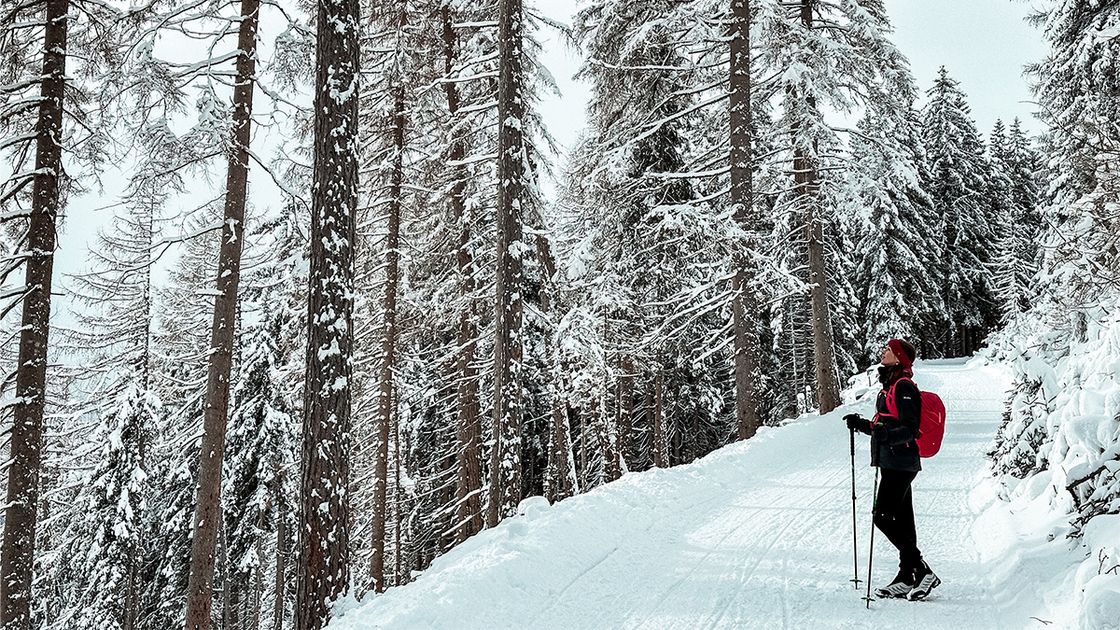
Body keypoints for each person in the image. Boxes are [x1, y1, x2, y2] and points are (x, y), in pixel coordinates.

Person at [843, 338, 940, 600]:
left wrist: (883, 434)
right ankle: (906, 576)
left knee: (882, 516)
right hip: (893, 462)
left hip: (902, 462)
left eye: (888, 350)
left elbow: (909, 429)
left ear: (899, 358)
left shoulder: (904, 387)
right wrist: (861, 424)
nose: (883, 352)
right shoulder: (890, 387)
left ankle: (921, 570)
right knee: (904, 522)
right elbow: (884, 427)